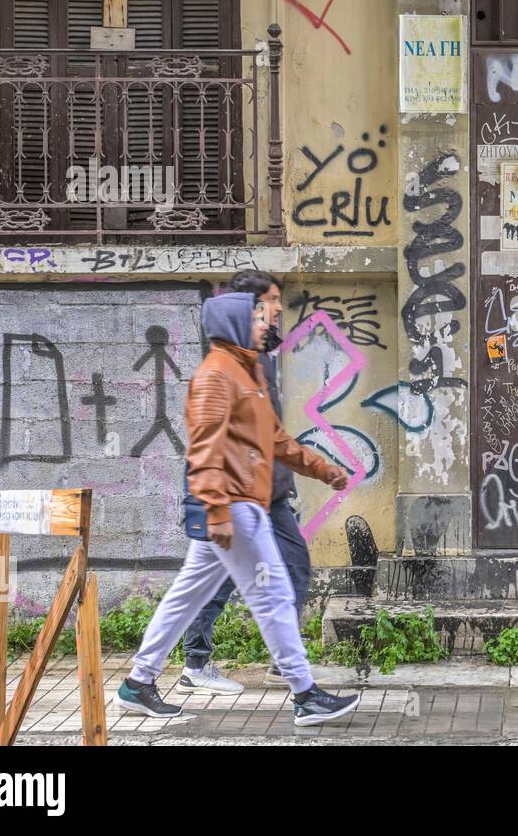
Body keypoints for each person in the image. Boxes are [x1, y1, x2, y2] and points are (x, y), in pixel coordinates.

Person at [117, 291, 360, 726]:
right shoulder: (216, 375)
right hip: (234, 506)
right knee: (274, 596)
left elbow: (277, 440)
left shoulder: (245, 372)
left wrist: (324, 470)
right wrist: (216, 510)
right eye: (253, 320)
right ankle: (304, 693)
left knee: (186, 596)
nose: (262, 325)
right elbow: (205, 448)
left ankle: (138, 682)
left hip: (235, 506)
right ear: (230, 324)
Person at [177, 270, 311, 696]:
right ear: (251, 306)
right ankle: (193, 664)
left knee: (293, 568)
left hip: (266, 492)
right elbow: (214, 439)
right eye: (271, 301)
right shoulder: (231, 360)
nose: (278, 310)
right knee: (215, 580)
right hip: (237, 491)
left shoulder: (260, 354)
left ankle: (283, 664)